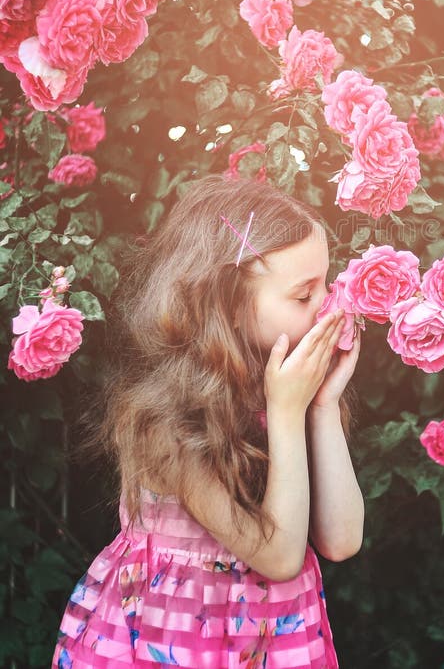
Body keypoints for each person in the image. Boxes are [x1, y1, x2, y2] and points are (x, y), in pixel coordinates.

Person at [52, 174, 364, 668]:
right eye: (304, 296)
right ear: (228, 305)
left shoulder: (292, 393)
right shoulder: (168, 426)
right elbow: (279, 559)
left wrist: (321, 407)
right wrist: (286, 412)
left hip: (270, 640)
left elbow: (342, 541)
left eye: (327, 284)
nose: (329, 306)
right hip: (175, 639)